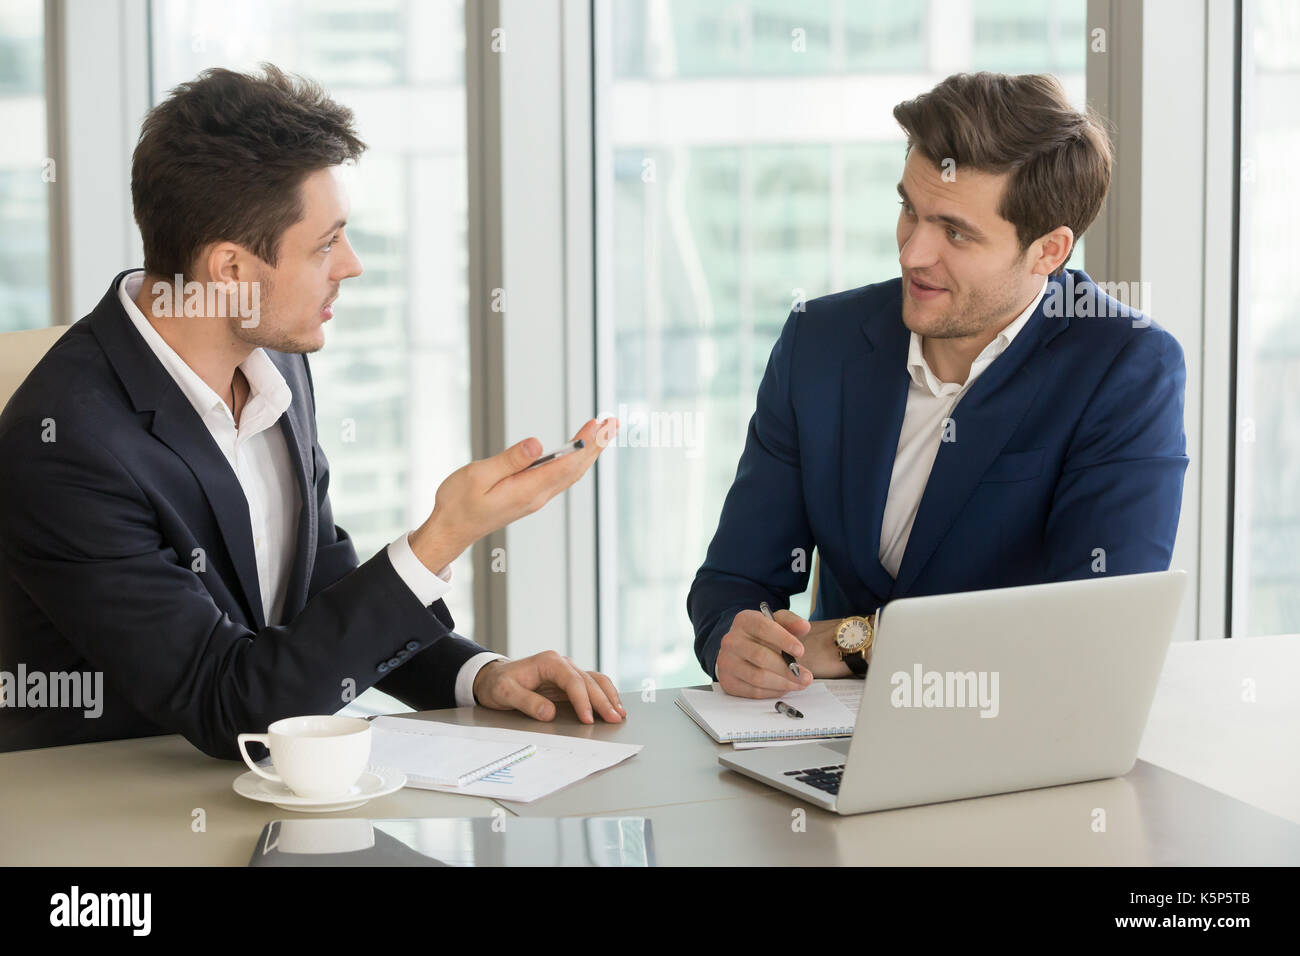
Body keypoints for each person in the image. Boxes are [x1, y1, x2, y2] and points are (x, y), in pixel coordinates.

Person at [0, 64, 623, 759]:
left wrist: (476, 676)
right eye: (325, 244)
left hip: (260, 785)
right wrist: (443, 537)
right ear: (231, 270)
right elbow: (231, 706)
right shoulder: (64, 446)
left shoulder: (272, 354)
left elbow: (316, 588)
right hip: (106, 801)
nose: (350, 265)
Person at [688, 72, 1188, 697]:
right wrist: (734, 642)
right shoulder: (820, 341)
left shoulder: (1126, 369)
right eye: (909, 210)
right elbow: (732, 579)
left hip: (1011, 740)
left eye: (954, 232)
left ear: (1048, 251)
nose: (911, 253)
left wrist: (859, 640)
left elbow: (1096, 630)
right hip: (819, 739)